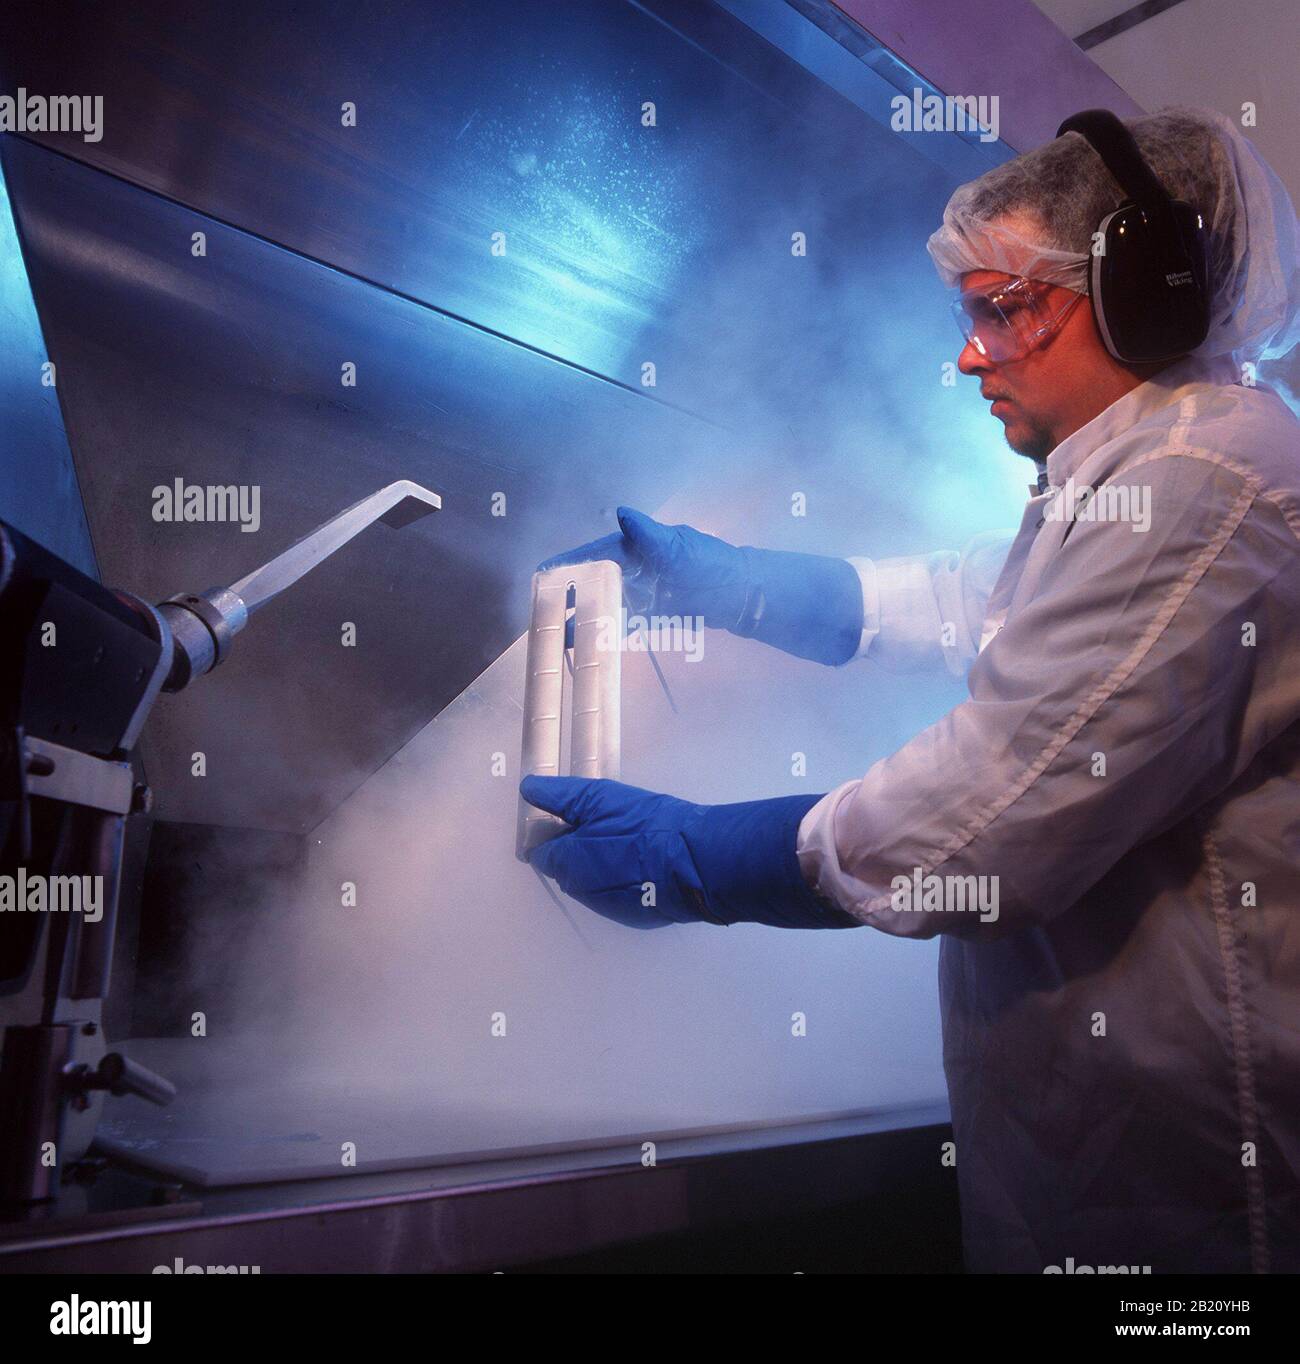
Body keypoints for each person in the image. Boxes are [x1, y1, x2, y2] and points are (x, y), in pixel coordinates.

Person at [519, 108, 1300, 1274]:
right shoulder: (1141, 476)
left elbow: (997, 806)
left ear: (1144, 287)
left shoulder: (1209, 478)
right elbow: (960, 602)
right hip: (1109, 1155)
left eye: (1005, 308)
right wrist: (727, 581)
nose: (970, 354)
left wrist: (695, 856)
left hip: (1194, 1182)